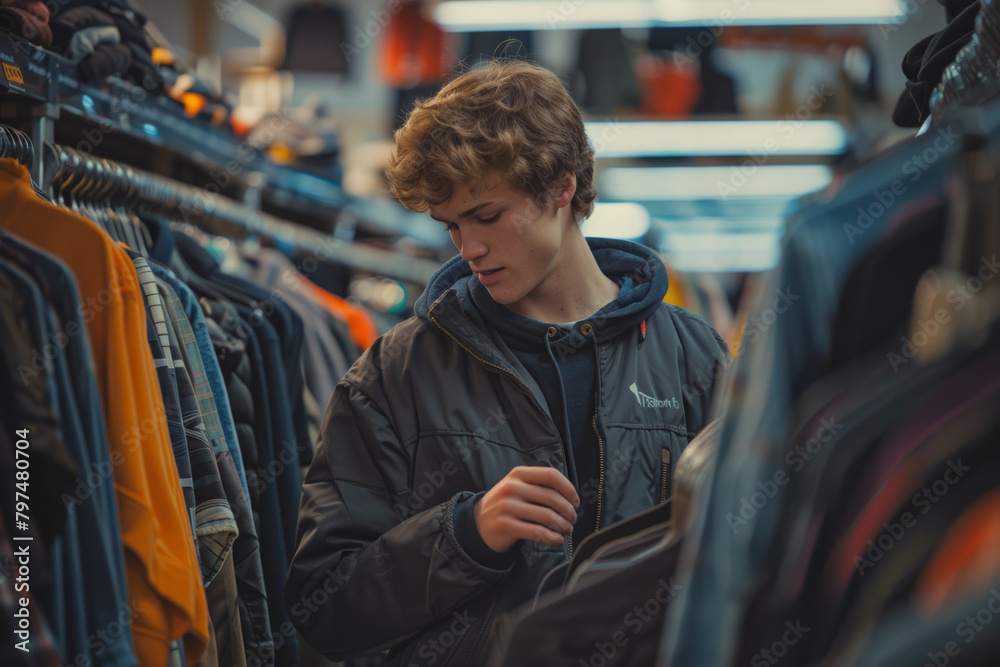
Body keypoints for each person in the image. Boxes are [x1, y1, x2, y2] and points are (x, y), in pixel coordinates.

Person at [285, 59, 730, 666]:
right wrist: (463, 536)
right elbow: (322, 606)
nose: (469, 248)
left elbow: (749, 561)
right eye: (452, 226)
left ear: (561, 187)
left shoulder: (692, 358)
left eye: (487, 216)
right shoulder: (395, 373)